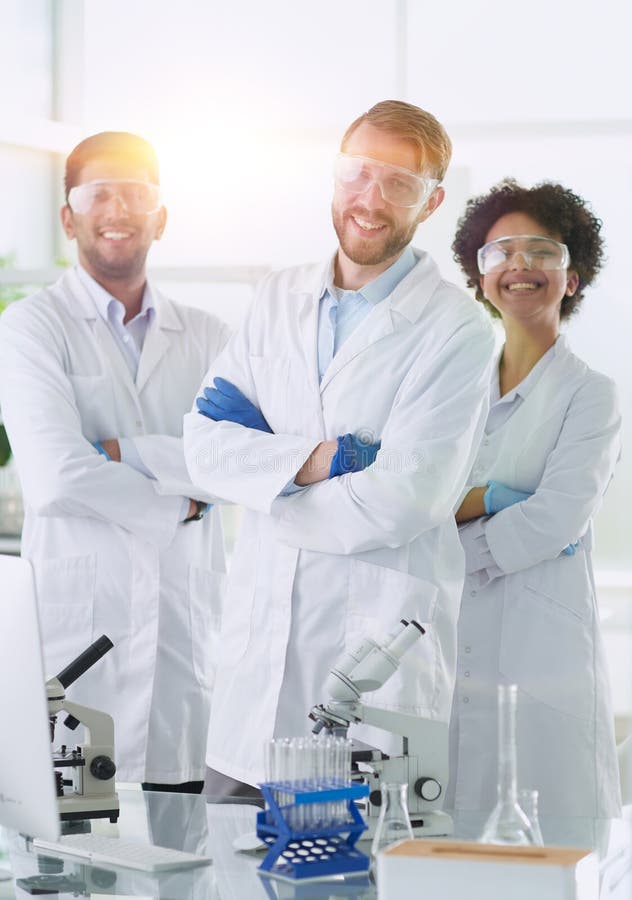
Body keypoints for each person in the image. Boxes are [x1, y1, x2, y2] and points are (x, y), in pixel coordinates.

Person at [183, 100, 496, 795]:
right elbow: (203, 449)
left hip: (371, 682)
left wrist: (265, 488)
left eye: (399, 183)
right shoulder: (277, 297)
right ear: (335, 174)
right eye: (358, 173)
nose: (370, 199)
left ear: (432, 201)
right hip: (250, 684)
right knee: (224, 855)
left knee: (359, 857)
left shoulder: (459, 330)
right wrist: (322, 461)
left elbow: (402, 501)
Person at [0, 132, 230, 791]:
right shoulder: (32, 327)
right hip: (76, 643)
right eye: (98, 195)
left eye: (136, 195)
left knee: (183, 833)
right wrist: (184, 498)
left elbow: (241, 460)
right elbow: (55, 477)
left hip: (183, 645)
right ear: (68, 217)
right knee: (72, 837)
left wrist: (125, 453)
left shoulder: (210, 336)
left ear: (162, 216)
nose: (118, 210)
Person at [447, 179, 621, 818]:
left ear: (572, 278)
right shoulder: (453, 393)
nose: (520, 264)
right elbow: (411, 498)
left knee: (547, 841)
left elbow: (554, 519)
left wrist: (448, 532)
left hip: (544, 659)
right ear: (481, 278)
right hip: (450, 652)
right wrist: (491, 500)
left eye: (542, 250)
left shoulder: (591, 394)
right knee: (447, 842)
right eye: (501, 252)